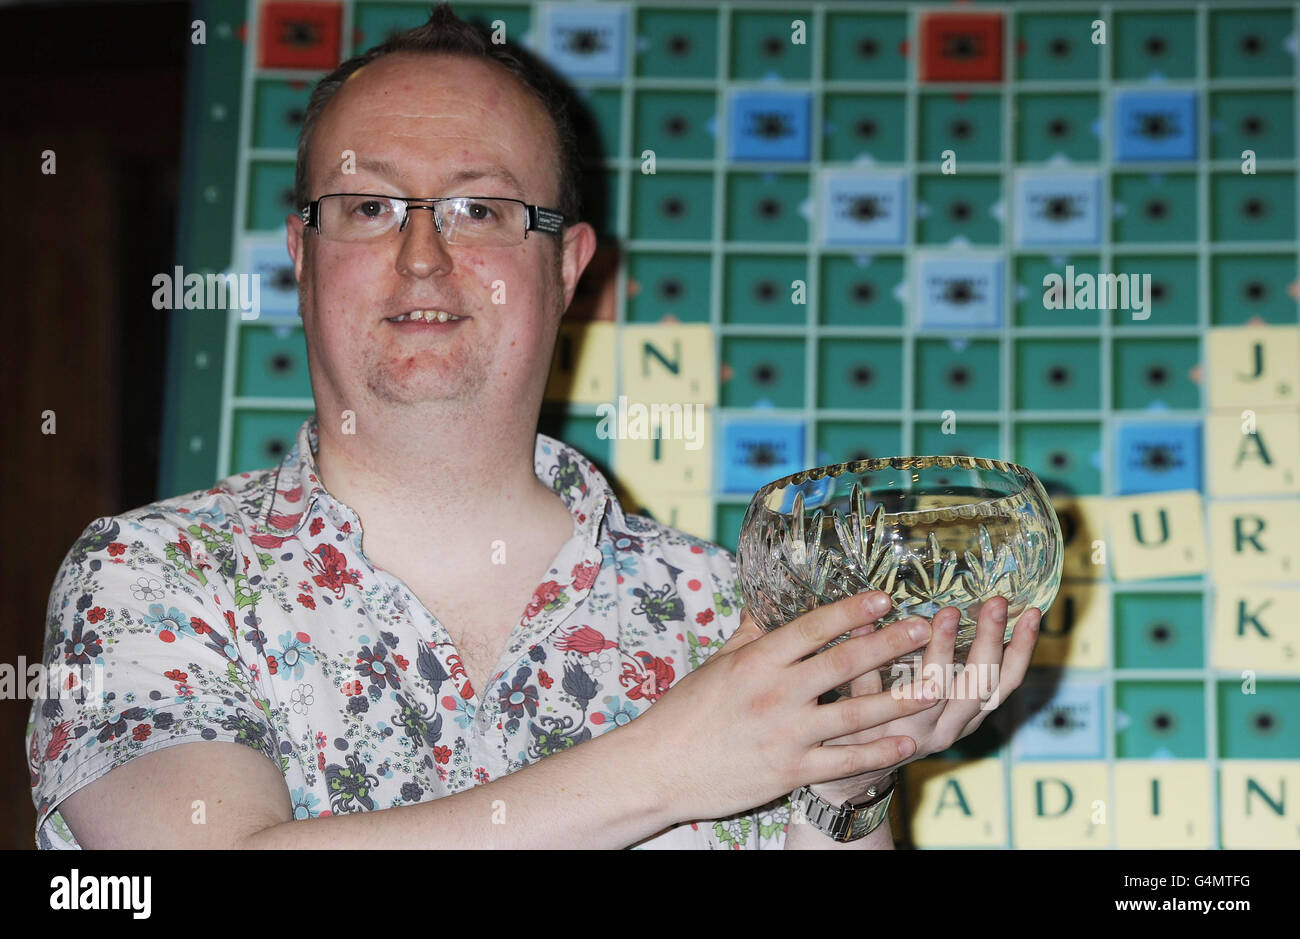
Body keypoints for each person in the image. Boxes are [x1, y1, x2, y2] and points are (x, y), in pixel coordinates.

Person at [25, 3, 1041, 850]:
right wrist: (669, 767)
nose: (421, 254)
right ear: (302, 251)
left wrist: (850, 783)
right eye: (369, 206)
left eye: (480, 211)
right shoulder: (152, 574)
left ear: (567, 265)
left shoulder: (734, 619)